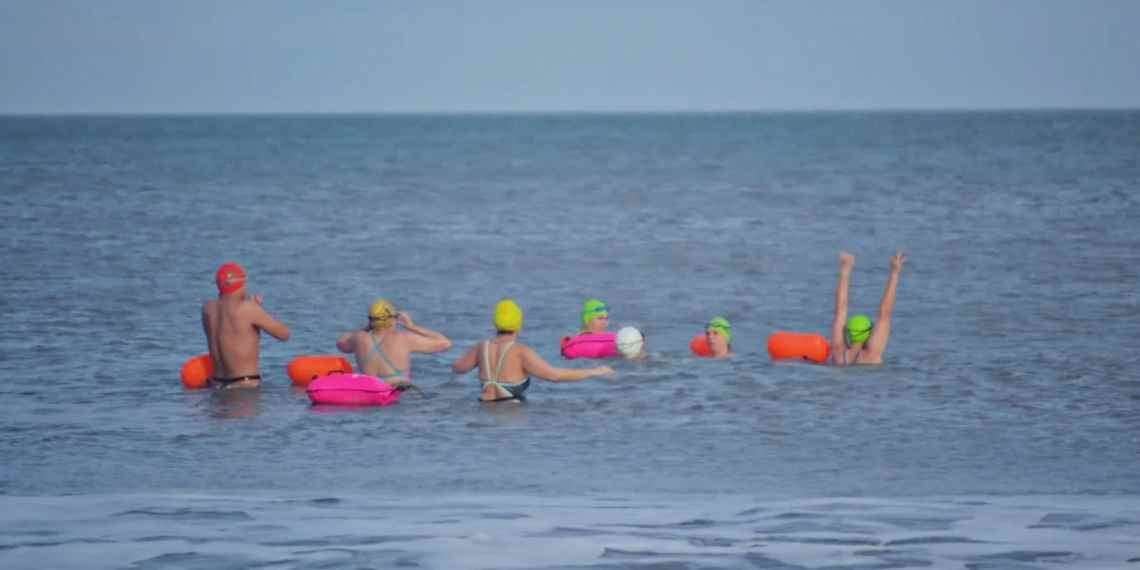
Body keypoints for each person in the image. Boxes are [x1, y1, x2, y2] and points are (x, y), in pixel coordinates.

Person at [452, 299, 616, 402]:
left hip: (483, 409)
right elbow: (555, 376)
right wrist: (595, 371)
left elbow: (457, 368)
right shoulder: (520, 351)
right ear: (519, 324)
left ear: (495, 324)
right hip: (511, 414)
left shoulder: (481, 347)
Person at [201, 262, 291, 389]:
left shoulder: (207, 309)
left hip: (216, 383)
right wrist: (258, 309)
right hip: (244, 386)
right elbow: (284, 335)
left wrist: (253, 308)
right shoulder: (249, 309)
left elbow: (229, 330)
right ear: (241, 284)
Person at [336, 298, 452, 386]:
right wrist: (412, 326)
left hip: (369, 388)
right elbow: (445, 343)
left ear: (371, 321)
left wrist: (367, 327)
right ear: (392, 320)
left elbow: (340, 343)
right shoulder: (404, 339)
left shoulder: (359, 338)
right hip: (396, 389)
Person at [829, 250, 905, 366]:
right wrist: (894, 273)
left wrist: (845, 270)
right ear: (870, 334)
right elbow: (884, 313)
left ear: (846, 333)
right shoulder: (872, 355)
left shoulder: (837, 354)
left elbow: (840, 310)